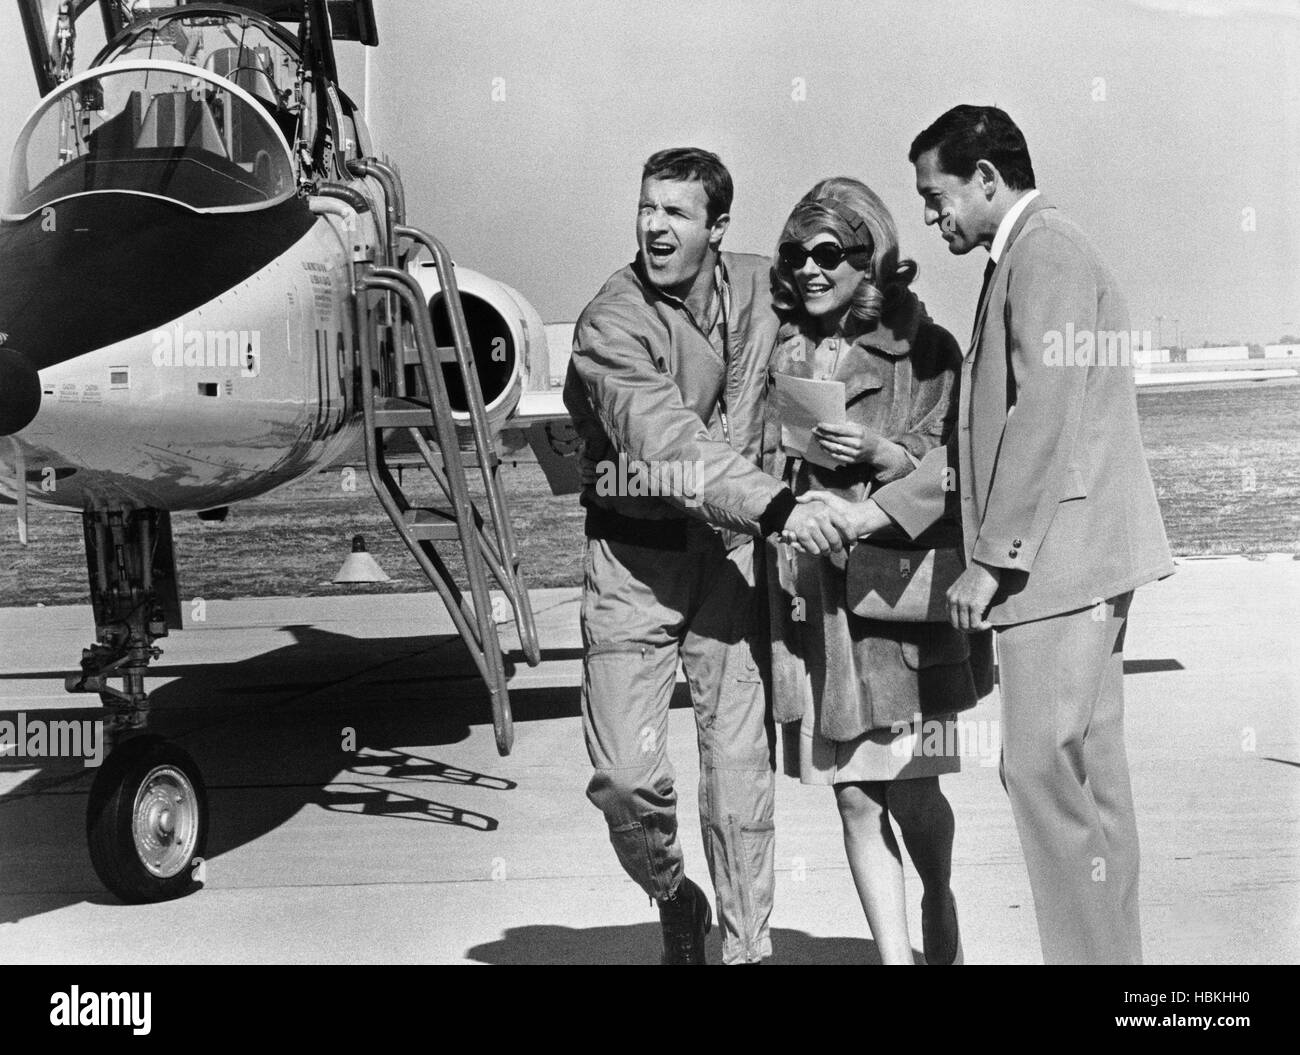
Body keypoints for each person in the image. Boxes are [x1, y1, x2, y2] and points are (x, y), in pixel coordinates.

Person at [804, 106, 1175, 964]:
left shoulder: (1041, 250)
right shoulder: (1040, 250)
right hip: (1086, 558)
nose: (932, 219)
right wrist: (894, 500)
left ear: (986, 179)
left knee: (1042, 773)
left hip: (1057, 563)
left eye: (937, 198)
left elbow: (1039, 415)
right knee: (1090, 783)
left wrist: (992, 563)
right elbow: (992, 433)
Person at [563, 147, 850, 965]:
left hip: (732, 563)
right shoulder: (610, 322)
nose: (654, 225)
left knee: (738, 771)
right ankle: (673, 893)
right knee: (624, 774)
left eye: (676, 213)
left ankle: (748, 945)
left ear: (718, 227)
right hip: (635, 565)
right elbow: (668, 447)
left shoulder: (766, 284)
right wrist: (783, 505)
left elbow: (860, 298)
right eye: (647, 208)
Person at [765, 178, 976, 965]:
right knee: (854, 797)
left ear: (869, 259)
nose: (810, 270)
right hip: (818, 608)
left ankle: (939, 893)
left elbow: (960, 468)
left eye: (830, 254)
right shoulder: (774, 347)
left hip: (899, 598)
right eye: (797, 255)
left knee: (916, 792)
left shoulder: (927, 349)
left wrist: (886, 456)